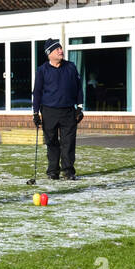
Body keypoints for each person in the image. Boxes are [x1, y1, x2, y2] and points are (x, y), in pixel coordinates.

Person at [32, 39, 84, 180]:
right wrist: (35, 113)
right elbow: (37, 92)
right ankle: (53, 171)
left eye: (61, 48)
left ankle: (68, 171)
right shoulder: (42, 70)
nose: (61, 51)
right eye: (57, 49)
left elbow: (79, 88)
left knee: (68, 143)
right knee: (52, 142)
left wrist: (79, 107)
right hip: (49, 111)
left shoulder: (71, 67)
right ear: (49, 53)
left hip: (68, 111)